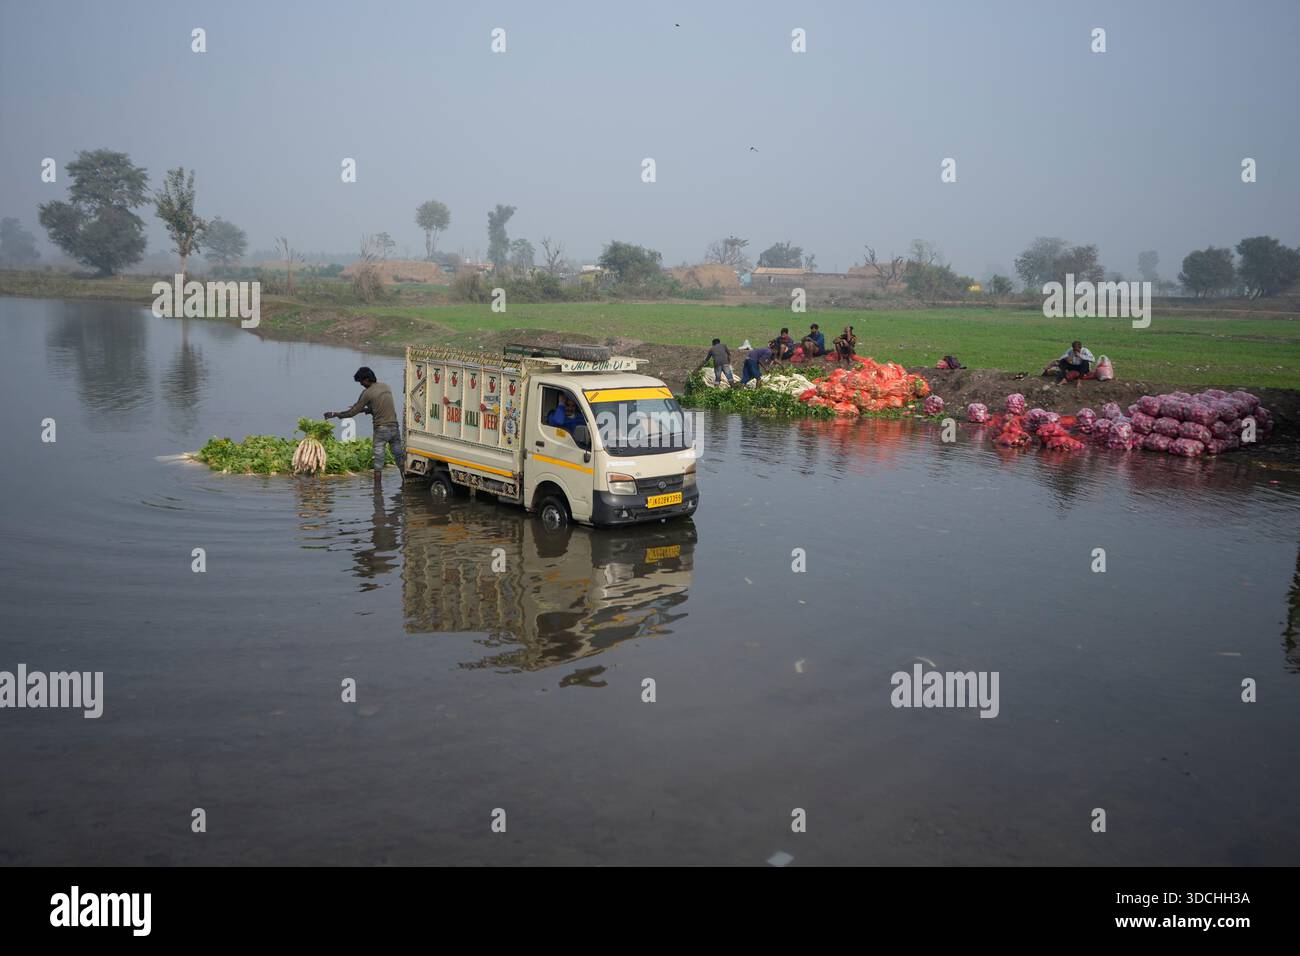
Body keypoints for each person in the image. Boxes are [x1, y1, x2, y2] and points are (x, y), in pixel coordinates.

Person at [325, 366, 405, 487]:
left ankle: (377, 491)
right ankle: (406, 482)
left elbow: (352, 412)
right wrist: (366, 410)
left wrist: (335, 414)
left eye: (361, 382)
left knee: (378, 463)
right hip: (394, 428)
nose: (361, 384)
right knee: (400, 458)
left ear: (367, 379)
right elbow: (377, 408)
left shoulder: (367, 393)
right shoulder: (386, 387)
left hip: (381, 430)